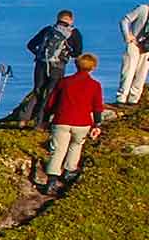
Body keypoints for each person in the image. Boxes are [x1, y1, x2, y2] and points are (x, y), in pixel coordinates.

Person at [41, 52, 105, 194]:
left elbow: (51, 103)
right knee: (76, 146)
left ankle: (51, 180)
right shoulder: (95, 85)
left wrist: (46, 119)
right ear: (93, 67)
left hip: (62, 121)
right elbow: (97, 107)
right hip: (82, 123)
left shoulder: (64, 82)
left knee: (57, 150)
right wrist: (97, 125)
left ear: (76, 65)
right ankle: (69, 171)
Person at [21, 10, 84, 128]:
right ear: (71, 20)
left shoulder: (48, 29)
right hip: (58, 66)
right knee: (50, 93)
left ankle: (24, 118)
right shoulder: (74, 32)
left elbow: (30, 45)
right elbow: (78, 52)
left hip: (41, 64)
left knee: (38, 90)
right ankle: (41, 122)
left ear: (58, 18)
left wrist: (39, 55)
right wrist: (67, 55)